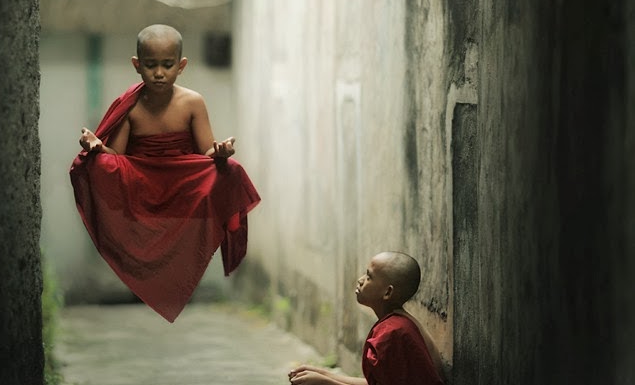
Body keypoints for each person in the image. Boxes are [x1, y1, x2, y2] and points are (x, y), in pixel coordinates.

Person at [69, 24, 260, 323]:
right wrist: (96, 147)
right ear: (137, 65)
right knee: (98, 164)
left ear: (181, 66)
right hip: (143, 179)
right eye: (151, 65)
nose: (159, 73)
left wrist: (220, 151)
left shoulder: (192, 102)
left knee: (230, 170)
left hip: (182, 179)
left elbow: (205, 154)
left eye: (167, 65)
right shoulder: (130, 106)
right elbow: (117, 158)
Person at [288, 252, 445, 385]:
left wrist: (325, 383)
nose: (360, 280)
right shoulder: (397, 321)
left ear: (387, 293)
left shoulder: (393, 332)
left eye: (369, 277)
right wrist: (324, 373)